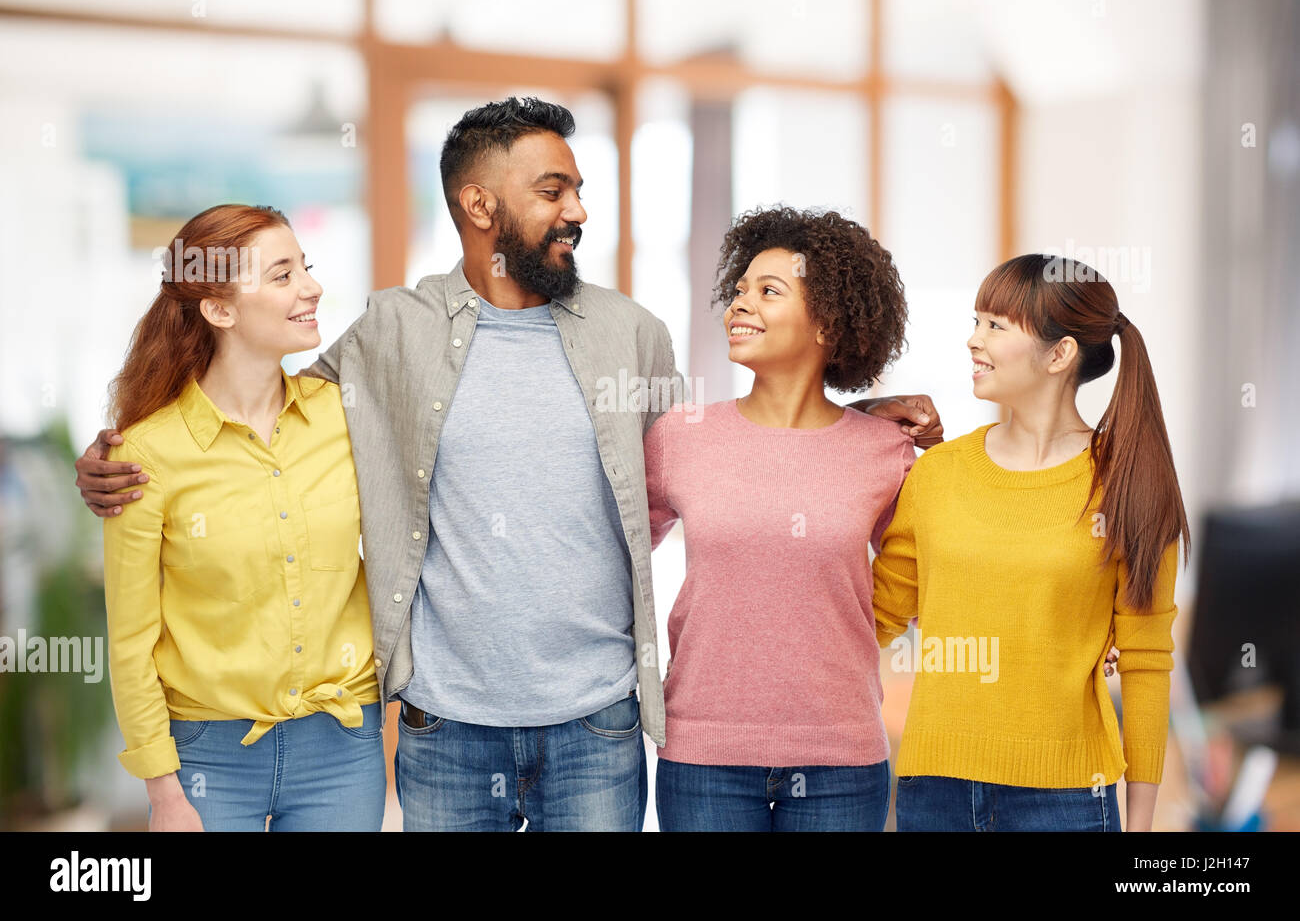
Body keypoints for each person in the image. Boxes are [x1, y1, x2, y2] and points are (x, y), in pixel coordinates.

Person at [76, 97, 942, 832]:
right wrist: (116, 451)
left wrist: (850, 418)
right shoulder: (392, 332)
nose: (578, 211)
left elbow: (710, 453)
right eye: (552, 189)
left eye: (579, 189)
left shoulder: (631, 334)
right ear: (479, 204)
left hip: (598, 728)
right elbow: (261, 405)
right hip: (445, 726)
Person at [873, 253, 1190, 832]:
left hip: (1067, 800)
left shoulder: (1129, 484)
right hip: (933, 790)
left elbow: (1146, 662)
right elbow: (873, 614)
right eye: (975, 321)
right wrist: (848, 428)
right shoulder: (937, 473)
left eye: (996, 325)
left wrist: (1140, 826)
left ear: (1059, 353)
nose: (974, 339)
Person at [100, 204, 384, 831]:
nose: (311, 287)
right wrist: (164, 793)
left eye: (304, 268)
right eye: (282, 275)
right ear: (220, 309)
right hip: (207, 758)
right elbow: (131, 641)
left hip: (342, 746)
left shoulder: (348, 418)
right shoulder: (148, 454)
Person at [645, 206, 920, 831]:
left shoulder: (885, 450)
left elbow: (934, 568)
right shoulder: (679, 438)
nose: (740, 305)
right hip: (703, 759)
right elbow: (615, 555)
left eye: (768, 292)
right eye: (739, 290)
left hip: (842, 762)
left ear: (828, 321)